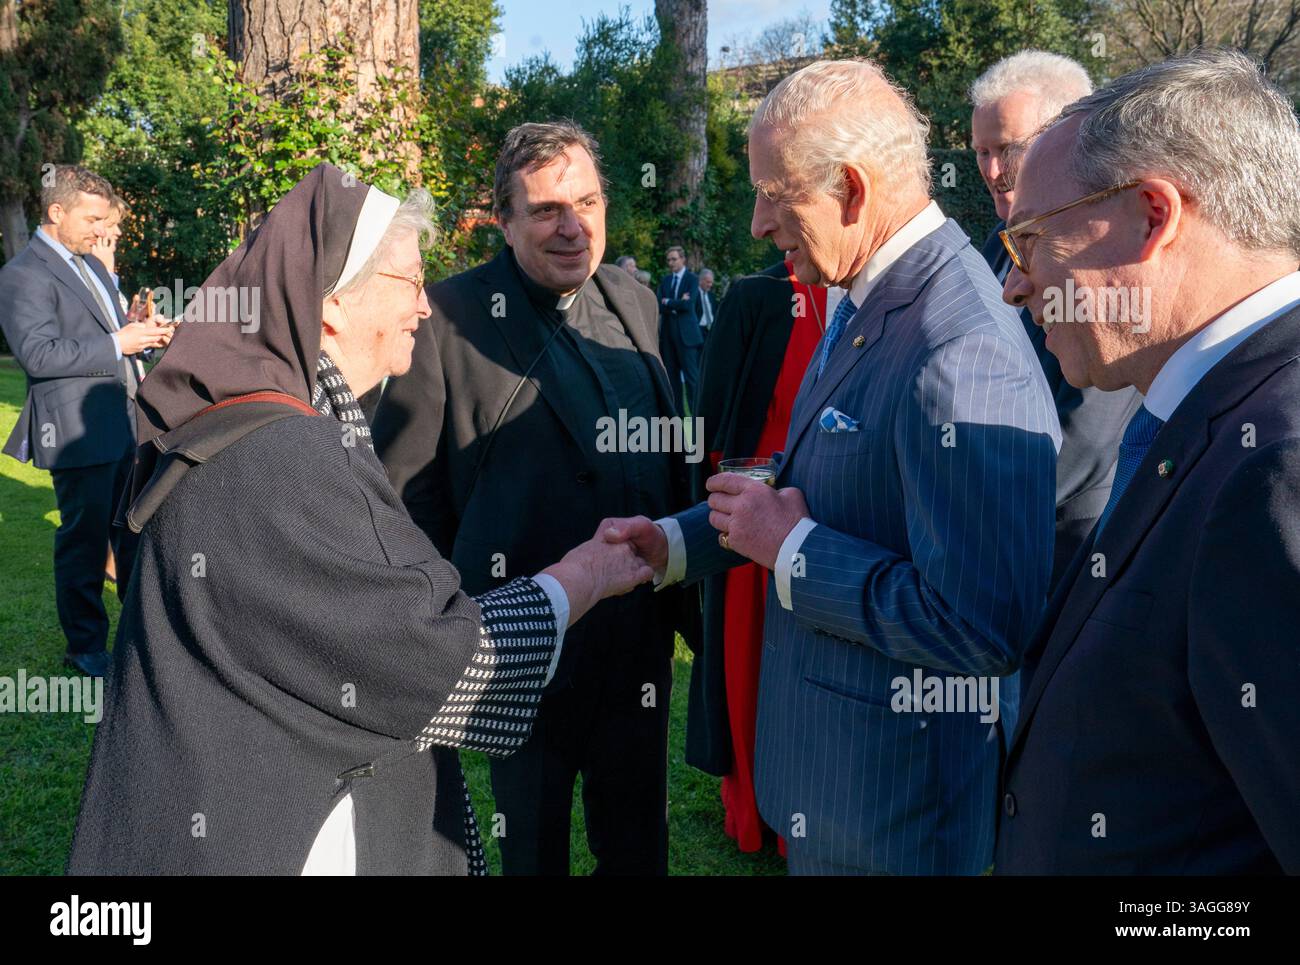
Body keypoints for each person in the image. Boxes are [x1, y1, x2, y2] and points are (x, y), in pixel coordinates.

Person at [67, 163, 652, 875]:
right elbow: (435, 664)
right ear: (334, 304)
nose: (426, 307)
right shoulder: (284, 452)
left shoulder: (256, 420)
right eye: (409, 281)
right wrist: (579, 578)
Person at [606, 59, 1060, 875]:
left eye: (773, 196)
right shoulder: (868, 291)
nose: (754, 225)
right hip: (843, 798)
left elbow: (983, 624)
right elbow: (825, 476)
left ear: (850, 190)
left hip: (895, 819)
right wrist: (675, 543)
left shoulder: (958, 345)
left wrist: (795, 552)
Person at [995, 49, 1300, 874]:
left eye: (1031, 239)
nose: (1015, 287)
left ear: (1153, 216)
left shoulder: (1281, 465)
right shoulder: (1211, 403)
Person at [372, 122, 697, 876]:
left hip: (638, 648)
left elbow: (671, 452)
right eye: (548, 208)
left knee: (638, 847)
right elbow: (406, 501)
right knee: (533, 854)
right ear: (505, 220)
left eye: (586, 201)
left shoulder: (635, 300)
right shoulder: (444, 319)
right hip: (524, 652)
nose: (572, 225)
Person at [970, 50, 1142, 591]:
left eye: (1008, 149)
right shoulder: (994, 250)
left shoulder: (1103, 247)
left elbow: (1088, 430)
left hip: (1074, 543)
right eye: (981, 152)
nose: (993, 171)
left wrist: (974, 518)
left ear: (1065, 135)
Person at [0, 166, 172, 677]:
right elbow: (37, 355)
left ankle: (141, 635)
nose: (102, 228)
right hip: (75, 432)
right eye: (93, 218)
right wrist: (118, 343)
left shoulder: (91, 267)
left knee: (134, 532)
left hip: (123, 424)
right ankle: (85, 646)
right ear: (57, 212)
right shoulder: (20, 275)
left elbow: (112, 332)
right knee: (85, 542)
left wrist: (142, 330)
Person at [687, 259, 831, 855]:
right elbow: (715, 422)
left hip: (836, 525)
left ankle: (820, 805)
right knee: (752, 670)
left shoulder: (875, 299)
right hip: (755, 521)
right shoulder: (756, 296)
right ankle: (755, 812)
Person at [656, 245, 703, 412]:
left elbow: (689, 305)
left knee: (692, 378)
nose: (671, 263)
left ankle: (697, 414)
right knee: (672, 379)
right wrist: (676, 303)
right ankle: (676, 417)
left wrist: (669, 302)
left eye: (674, 259)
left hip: (687, 336)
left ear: (683, 259)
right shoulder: (666, 281)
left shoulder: (692, 279)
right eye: (669, 260)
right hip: (669, 337)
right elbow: (658, 305)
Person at [696, 267, 718, 337]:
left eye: (711, 282)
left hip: (712, 329)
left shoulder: (711, 296)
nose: (710, 285)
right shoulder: (694, 295)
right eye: (708, 282)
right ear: (700, 281)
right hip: (699, 330)